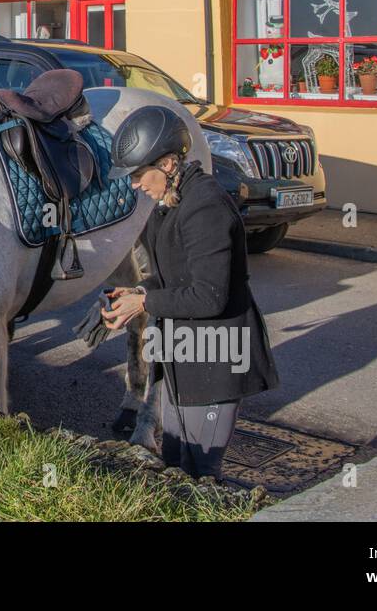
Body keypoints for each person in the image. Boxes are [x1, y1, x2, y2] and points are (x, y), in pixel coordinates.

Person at [101, 105, 279, 479]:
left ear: (167, 164)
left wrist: (145, 301)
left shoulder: (207, 206)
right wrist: (133, 292)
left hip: (215, 360)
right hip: (182, 355)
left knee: (199, 474)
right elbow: (170, 278)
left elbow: (208, 296)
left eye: (137, 174)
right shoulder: (166, 203)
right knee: (174, 466)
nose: (135, 184)